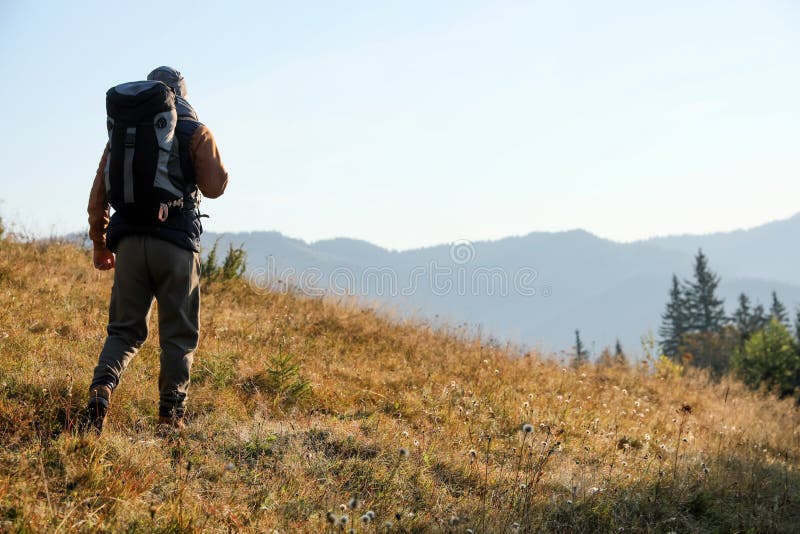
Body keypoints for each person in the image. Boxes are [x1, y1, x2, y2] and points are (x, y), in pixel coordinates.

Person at [85, 66, 228, 433]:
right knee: (177, 337)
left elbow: (98, 196)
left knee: (123, 331)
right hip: (176, 246)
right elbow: (215, 186)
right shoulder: (195, 129)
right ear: (182, 93)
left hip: (129, 244)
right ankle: (170, 418)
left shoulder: (122, 132)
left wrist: (101, 244)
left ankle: (102, 387)